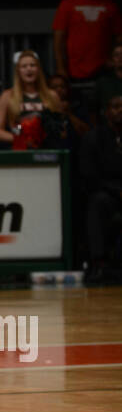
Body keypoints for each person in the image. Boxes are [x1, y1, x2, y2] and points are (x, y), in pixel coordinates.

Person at [52, 0, 122, 112]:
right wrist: (61, 68)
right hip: (74, 70)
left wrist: (114, 60)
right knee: (78, 109)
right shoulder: (67, 4)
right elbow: (59, 40)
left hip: (103, 69)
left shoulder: (109, 6)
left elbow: (119, 37)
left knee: (106, 109)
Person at [79, 95, 122, 282]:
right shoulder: (93, 138)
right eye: (115, 106)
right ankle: (99, 263)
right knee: (97, 202)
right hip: (108, 194)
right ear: (106, 112)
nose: (120, 110)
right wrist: (116, 191)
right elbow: (89, 176)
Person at [0, 50, 62, 148]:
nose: (29, 69)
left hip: (47, 149)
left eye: (32, 65)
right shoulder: (7, 96)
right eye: (24, 66)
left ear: (38, 69)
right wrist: (21, 138)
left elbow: (62, 130)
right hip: (20, 151)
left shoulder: (52, 95)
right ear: (18, 71)